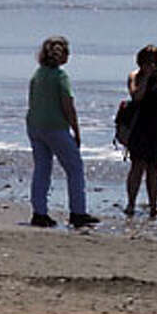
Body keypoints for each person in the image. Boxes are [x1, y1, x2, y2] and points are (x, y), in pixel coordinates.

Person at [25, 36, 99, 229]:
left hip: (35, 125)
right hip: (55, 127)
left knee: (42, 168)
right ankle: (77, 212)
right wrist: (76, 129)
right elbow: (68, 105)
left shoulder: (37, 74)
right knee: (74, 168)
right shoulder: (60, 76)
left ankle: (39, 212)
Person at [124, 44, 157, 218]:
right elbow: (136, 96)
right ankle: (131, 203)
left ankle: (154, 205)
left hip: (156, 125)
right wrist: (145, 77)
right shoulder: (135, 76)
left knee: (154, 166)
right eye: (148, 60)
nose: (152, 64)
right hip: (139, 124)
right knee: (137, 165)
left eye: (155, 60)